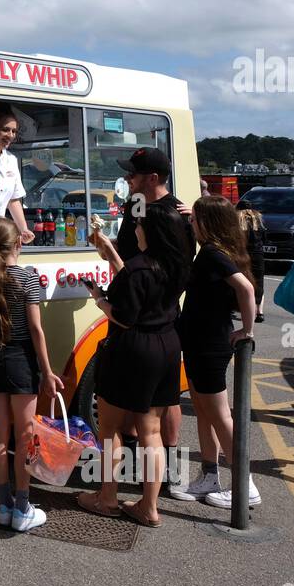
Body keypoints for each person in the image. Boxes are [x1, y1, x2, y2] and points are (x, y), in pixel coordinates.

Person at [77, 203, 190, 527]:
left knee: (110, 430)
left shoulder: (137, 269)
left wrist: (99, 298)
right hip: (167, 346)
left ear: (150, 232)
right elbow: (136, 279)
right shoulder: (176, 264)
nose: (135, 228)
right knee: (150, 432)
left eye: (139, 224)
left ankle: (106, 498)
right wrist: (111, 253)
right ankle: (149, 507)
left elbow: (123, 316)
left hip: (133, 349)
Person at [169, 196, 260, 507]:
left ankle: (244, 484)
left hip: (209, 344)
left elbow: (246, 289)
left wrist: (247, 330)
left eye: (194, 219)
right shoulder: (215, 251)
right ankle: (210, 475)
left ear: (207, 223)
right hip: (198, 342)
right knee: (205, 413)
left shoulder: (211, 253)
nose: (190, 224)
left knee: (219, 416)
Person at [113, 146, 194, 485]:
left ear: (153, 178)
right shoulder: (135, 205)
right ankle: (137, 462)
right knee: (137, 390)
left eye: (133, 173)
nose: (127, 178)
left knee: (165, 396)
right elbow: (123, 250)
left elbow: (181, 265)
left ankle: (172, 465)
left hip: (157, 311)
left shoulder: (174, 212)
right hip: (138, 299)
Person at [0, 217, 62, 532]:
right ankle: (23, 508)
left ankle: (3, 506)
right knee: (25, 437)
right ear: (19, 245)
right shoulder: (27, 279)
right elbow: (36, 330)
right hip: (20, 361)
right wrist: (48, 372)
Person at [0, 108, 35, 244]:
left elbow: (13, 199)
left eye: (14, 131)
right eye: (5, 129)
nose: (10, 135)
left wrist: (24, 230)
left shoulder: (11, 159)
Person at [236, 200, 267, 322]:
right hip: (258, 254)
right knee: (259, 283)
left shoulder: (237, 220)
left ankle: (249, 310)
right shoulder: (258, 220)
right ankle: (259, 311)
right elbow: (264, 238)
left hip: (243, 254)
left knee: (245, 282)